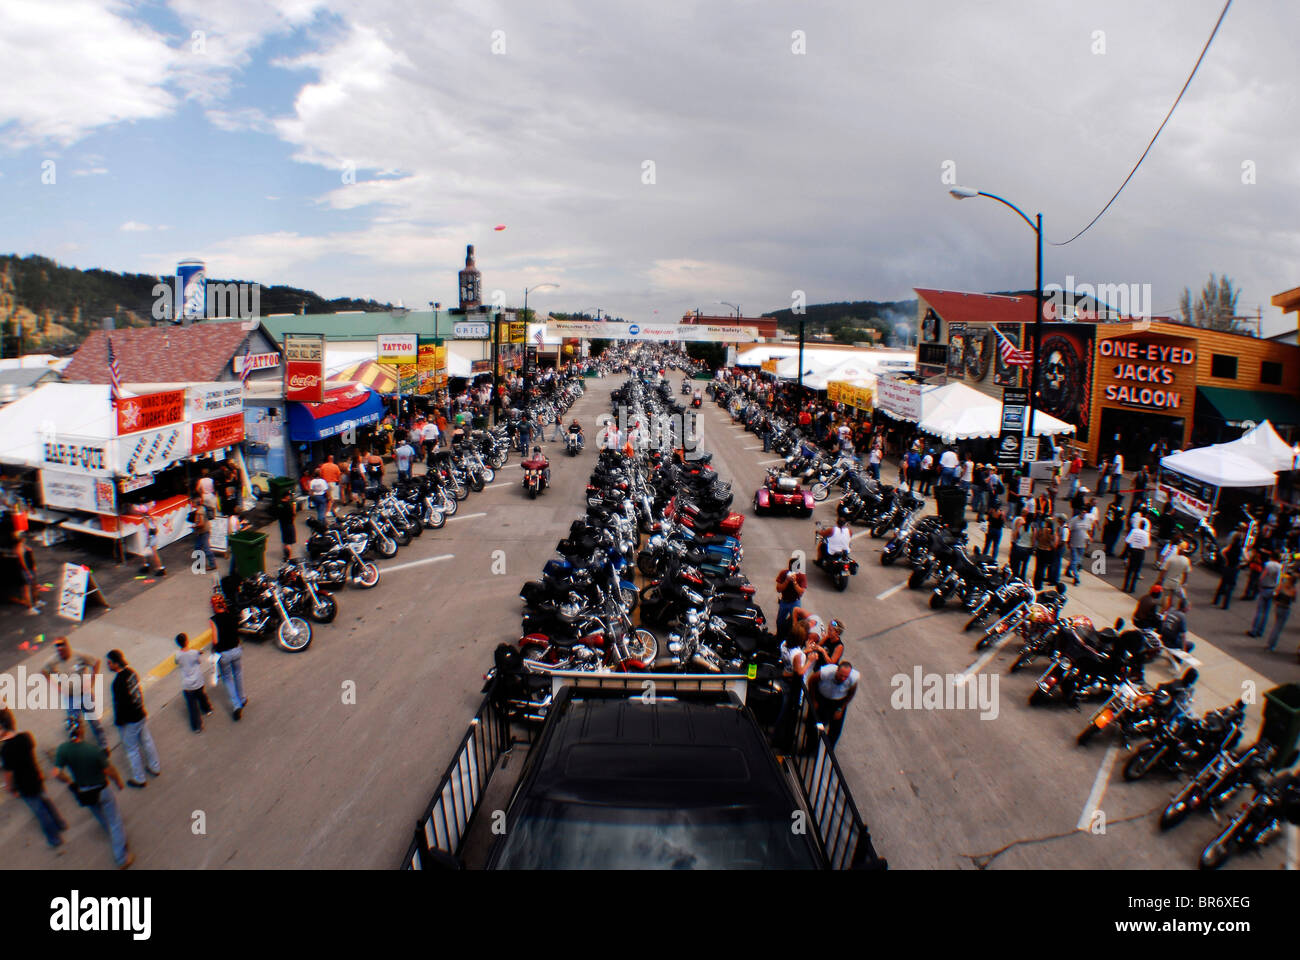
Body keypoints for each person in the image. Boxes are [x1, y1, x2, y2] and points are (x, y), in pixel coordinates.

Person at [52, 717, 132, 869]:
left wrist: (69, 781)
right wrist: (118, 782)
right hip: (101, 789)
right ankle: (122, 857)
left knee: (100, 815)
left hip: (84, 792)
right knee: (115, 820)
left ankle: (114, 836)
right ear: (81, 730)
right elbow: (110, 770)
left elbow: (56, 773)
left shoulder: (63, 750)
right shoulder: (93, 751)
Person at [1, 707, 68, 849]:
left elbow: (9, 774)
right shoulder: (26, 737)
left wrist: (10, 788)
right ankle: (60, 822)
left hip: (24, 786)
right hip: (36, 777)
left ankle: (54, 838)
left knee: (40, 811)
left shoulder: (6, 751)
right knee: (46, 800)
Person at [106, 650, 160, 788]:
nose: (108, 664)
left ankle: (139, 778)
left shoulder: (117, 683)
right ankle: (155, 767)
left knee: (131, 748)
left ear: (116, 664)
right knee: (147, 741)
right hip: (140, 713)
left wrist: (118, 722)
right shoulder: (131, 672)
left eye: (110, 662)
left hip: (131, 720)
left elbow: (120, 705)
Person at [42, 638, 108, 751]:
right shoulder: (53, 661)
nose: (61, 654)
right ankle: (80, 748)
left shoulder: (79, 655)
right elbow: (44, 672)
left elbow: (96, 662)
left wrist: (92, 682)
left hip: (84, 695)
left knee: (94, 721)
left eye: (63, 650)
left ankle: (103, 745)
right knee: (75, 725)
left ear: (68, 647)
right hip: (70, 698)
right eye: (59, 652)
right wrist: (56, 686)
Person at [211, 578, 247, 720]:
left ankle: (236, 705)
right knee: (238, 673)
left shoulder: (213, 620)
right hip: (236, 649)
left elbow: (215, 640)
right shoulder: (232, 615)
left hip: (224, 653)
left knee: (227, 678)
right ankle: (243, 698)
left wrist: (215, 651)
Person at [806, 661, 859, 748]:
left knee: (835, 730)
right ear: (837, 670)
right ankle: (810, 746)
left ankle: (826, 750)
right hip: (822, 698)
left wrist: (840, 709)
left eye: (846, 676)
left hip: (838, 702)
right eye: (841, 675)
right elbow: (811, 681)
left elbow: (851, 694)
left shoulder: (853, 679)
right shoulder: (827, 672)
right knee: (811, 723)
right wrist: (813, 700)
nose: (843, 678)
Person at [174, 633, 213, 733]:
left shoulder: (178, 655)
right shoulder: (194, 652)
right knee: (202, 696)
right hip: (198, 681)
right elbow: (198, 661)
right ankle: (207, 709)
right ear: (187, 641)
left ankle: (197, 726)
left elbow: (177, 662)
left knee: (192, 706)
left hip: (187, 685)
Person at [1248, 553, 1283, 638]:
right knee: (1266, 612)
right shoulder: (1279, 567)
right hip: (1272, 589)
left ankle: (1254, 630)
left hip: (1264, 587)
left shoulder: (1268, 564)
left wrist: (1259, 584)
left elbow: (1262, 576)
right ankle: (1260, 630)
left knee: (1259, 611)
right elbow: (1278, 580)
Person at [1212, 526, 1246, 609]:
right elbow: (1246, 558)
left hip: (1227, 566)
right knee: (1230, 588)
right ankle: (1225, 605)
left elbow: (1222, 551)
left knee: (1222, 584)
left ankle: (1216, 600)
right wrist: (1242, 563)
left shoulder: (1230, 546)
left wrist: (1226, 559)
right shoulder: (1240, 549)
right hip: (1234, 568)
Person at [774, 555, 807, 641]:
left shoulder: (801, 576)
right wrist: (787, 581)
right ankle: (779, 636)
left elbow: (801, 592)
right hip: (785, 601)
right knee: (780, 621)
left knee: (795, 622)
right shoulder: (783, 573)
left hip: (795, 601)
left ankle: (793, 639)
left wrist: (795, 582)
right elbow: (778, 589)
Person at [1264, 570, 1295, 654]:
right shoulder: (1293, 590)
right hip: (1285, 608)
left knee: (1275, 626)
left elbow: (1275, 594)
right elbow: (1293, 599)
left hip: (1278, 607)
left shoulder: (1282, 586)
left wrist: (1276, 601)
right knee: (1278, 628)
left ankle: (1269, 644)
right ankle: (1271, 645)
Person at [1156, 541, 1191, 612]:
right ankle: (1179, 610)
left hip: (1167, 581)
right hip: (1177, 583)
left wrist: (1160, 579)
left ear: (1178, 549)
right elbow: (1186, 573)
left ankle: (1163, 612)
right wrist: (1184, 582)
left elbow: (1164, 570)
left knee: (1166, 597)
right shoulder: (1186, 560)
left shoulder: (1171, 558)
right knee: (1182, 597)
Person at [1122, 513, 1151, 593]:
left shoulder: (1134, 531)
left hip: (1133, 550)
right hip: (1140, 552)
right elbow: (1146, 545)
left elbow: (1128, 541)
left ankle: (1125, 586)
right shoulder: (1146, 534)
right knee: (1137, 570)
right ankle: (1132, 588)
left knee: (1129, 570)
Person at [1032, 512, 1060, 591]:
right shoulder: (1053, 533)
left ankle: (1036, 584)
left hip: (1040, 550)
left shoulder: (1041, 530)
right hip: (1047, 551)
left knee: (1038, 568)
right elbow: (1055, 544)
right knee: (1043, 568)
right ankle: (1039, 585)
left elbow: (1036, 538)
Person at [190, 494, 217, 571]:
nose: (191, 504)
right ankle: (200, 563)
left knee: (206, 548)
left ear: (195, 503)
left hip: (203, 531)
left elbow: (201, 523)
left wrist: (194, 527)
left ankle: (212, 564)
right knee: (198, 547)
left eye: (192, 503)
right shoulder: (202, 508)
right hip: (203, 531)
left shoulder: (200, 511)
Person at [1009, 508, 1035, 581]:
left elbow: (1016, 534)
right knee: (1024, 565)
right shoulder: (1033, 528)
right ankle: (1022, 578)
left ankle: (1015, 577)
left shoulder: (1021, 526)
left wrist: (1016, 541)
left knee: (1017, 564)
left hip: (1019, 546)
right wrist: (1032, 547)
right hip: (1027, 548)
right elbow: (1033, 540)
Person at [1066, 507, 1090, 586]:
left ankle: (1068, 569)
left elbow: (1088, 530)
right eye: (1082, 512)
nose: (1084, 514)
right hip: (1074, 543)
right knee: (1074, 560)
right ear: (1080, 513)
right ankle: (1076, 578)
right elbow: (1068, 530)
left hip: (1082, 543)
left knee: (1078, 560)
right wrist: (1068, 541)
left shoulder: (1087, 520)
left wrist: (1088, 541)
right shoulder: (1074, 520)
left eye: (1085, 513)